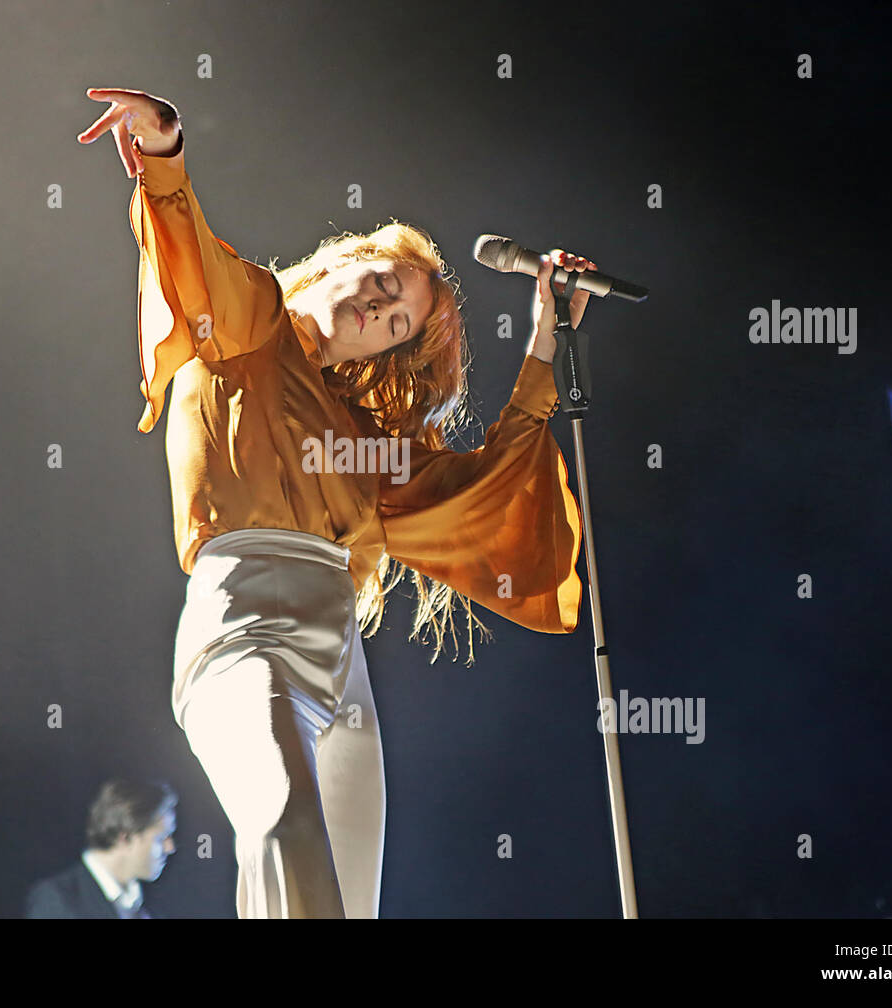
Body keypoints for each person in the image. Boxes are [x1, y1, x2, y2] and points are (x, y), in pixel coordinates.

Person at [77, 88, 596, 918]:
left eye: (396, 324)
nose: (379, 312)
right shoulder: (249, 324)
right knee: (284, 834)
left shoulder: (360, 439)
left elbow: (485, 491)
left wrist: (544, 339)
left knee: (349, 905)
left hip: (341, 664)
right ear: (345, 258)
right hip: (243, 629)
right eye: (383, 285)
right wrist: (166, 150)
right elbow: (190, 253)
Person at [25, 778, 177, 919]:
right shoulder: (58, 899)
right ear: (125, 838)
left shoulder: (145, 906)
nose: (170, 848)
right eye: (161, 838)